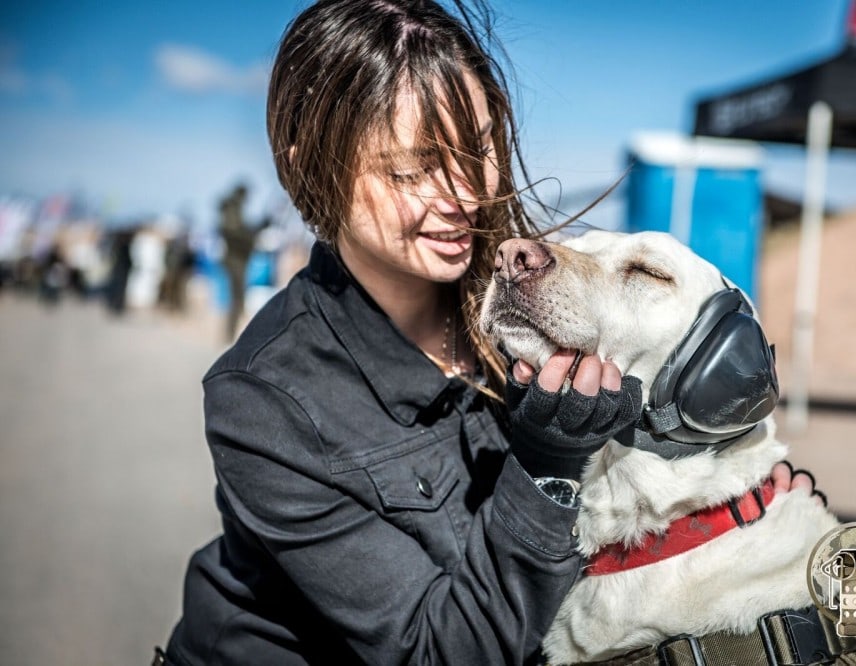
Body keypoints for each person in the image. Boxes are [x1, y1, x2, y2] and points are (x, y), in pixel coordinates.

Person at [160, 2, 822, 664]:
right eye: (412, 168)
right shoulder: (266, 403)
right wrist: (546, 469)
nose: (466, 196)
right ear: (312, 167)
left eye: (477, 149)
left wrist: (735, 521)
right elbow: (437, 652)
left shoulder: (521, 288)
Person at [219, 183, 269, 340]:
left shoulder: (234, 208)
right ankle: (230, 336)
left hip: (238, 259)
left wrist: (256, 229)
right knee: (237, 298)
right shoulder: (232, 208)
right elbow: (234, 232)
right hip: (235, 259)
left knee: (238, 298)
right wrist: (254, 233)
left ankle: (232, 334)